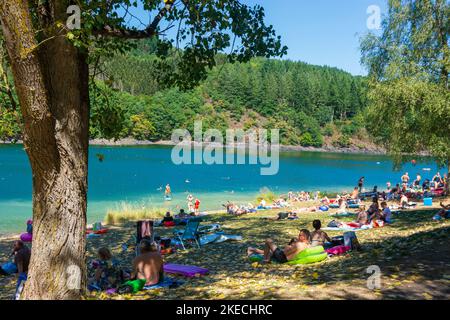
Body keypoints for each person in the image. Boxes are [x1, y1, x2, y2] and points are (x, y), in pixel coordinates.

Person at [247, 229, 311, 264]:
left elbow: (285, 253)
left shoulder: (298, 244)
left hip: (282, 258)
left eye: (300, 235)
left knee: (268, 240)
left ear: (304, 237)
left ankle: (265, 259)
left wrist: (288, 246)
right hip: (284, 257)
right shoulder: (308, 245)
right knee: (270, 251)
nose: (298, 236)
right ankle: (252, 250)